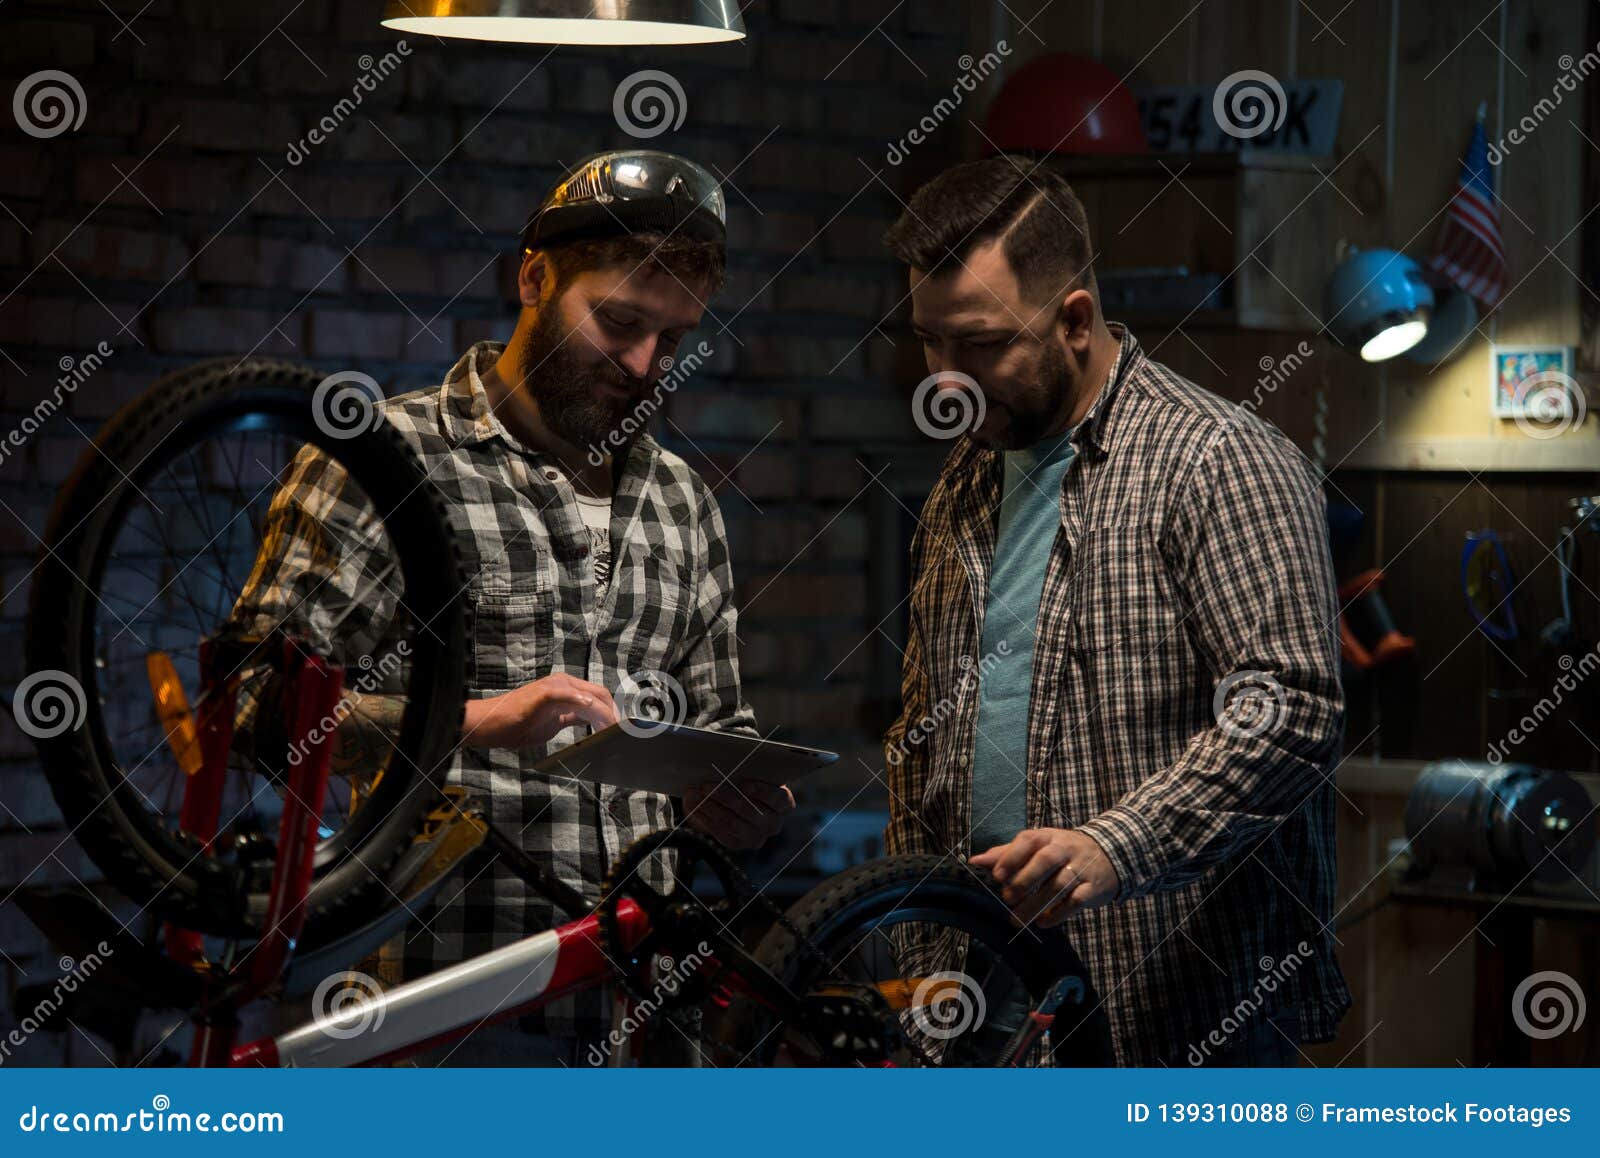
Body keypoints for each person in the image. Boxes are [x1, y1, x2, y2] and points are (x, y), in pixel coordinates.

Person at [232, 150, 793, 1065]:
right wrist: (479, 721)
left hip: (645, 1023)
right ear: (534, 277)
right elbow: (256, 706)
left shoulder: (684, 500)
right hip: (443, 1017)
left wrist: (734, 800)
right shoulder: (385, 461)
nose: (645, 364)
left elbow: (716, 726)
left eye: (675, 338)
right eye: (618, 322)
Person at [880, 155, 1350, 1066]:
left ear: (1076, 318)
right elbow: (923, 737)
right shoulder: (960, 485)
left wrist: (1115, 846)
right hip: (992, 1011)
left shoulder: (1219, 460)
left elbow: (1293, 708)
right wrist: (922, 950)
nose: (948, 378)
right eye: (931, 342)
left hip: (1191, 1014)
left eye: (982, 344)